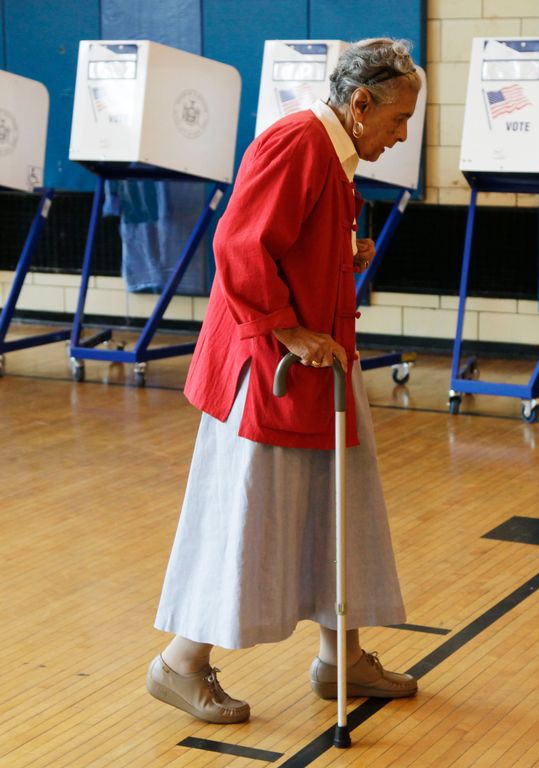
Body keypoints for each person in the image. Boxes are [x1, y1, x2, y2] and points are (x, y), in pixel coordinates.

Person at [147, 38, 421, 724]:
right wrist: (288, 329)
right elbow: (238, 245)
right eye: (398, 120)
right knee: (250, 518)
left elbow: (287, 243)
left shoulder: (334, 154)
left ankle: (341, 658)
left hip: (317, 366)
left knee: (340, 507)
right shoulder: (298, 142)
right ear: (361, 104)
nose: (401, 136)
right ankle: (180, 663)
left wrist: (340, 256)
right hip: (268, 369)